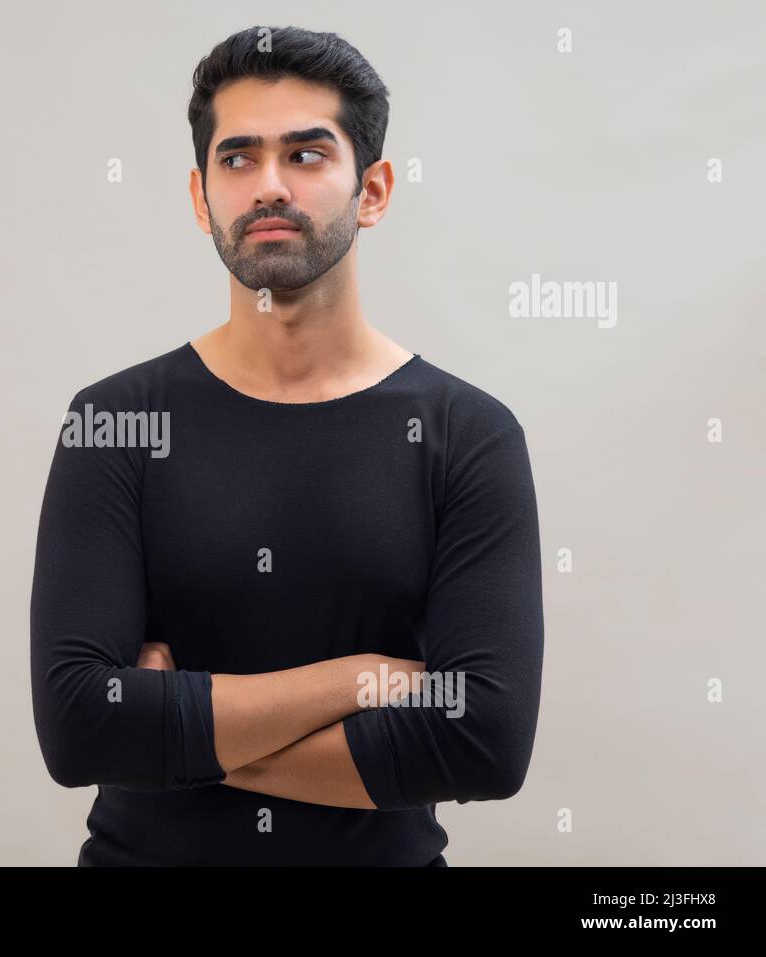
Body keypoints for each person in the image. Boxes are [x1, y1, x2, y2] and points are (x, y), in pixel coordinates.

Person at [29, 25, 544, 866]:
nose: (269, 185)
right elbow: (81, 729)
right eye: (237, 159)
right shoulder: (115, 420)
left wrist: (171, 734)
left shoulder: (469, 434)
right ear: (201, 198)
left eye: (307, 154)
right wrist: (361, 679)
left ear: (371, 190)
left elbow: (484, 743)